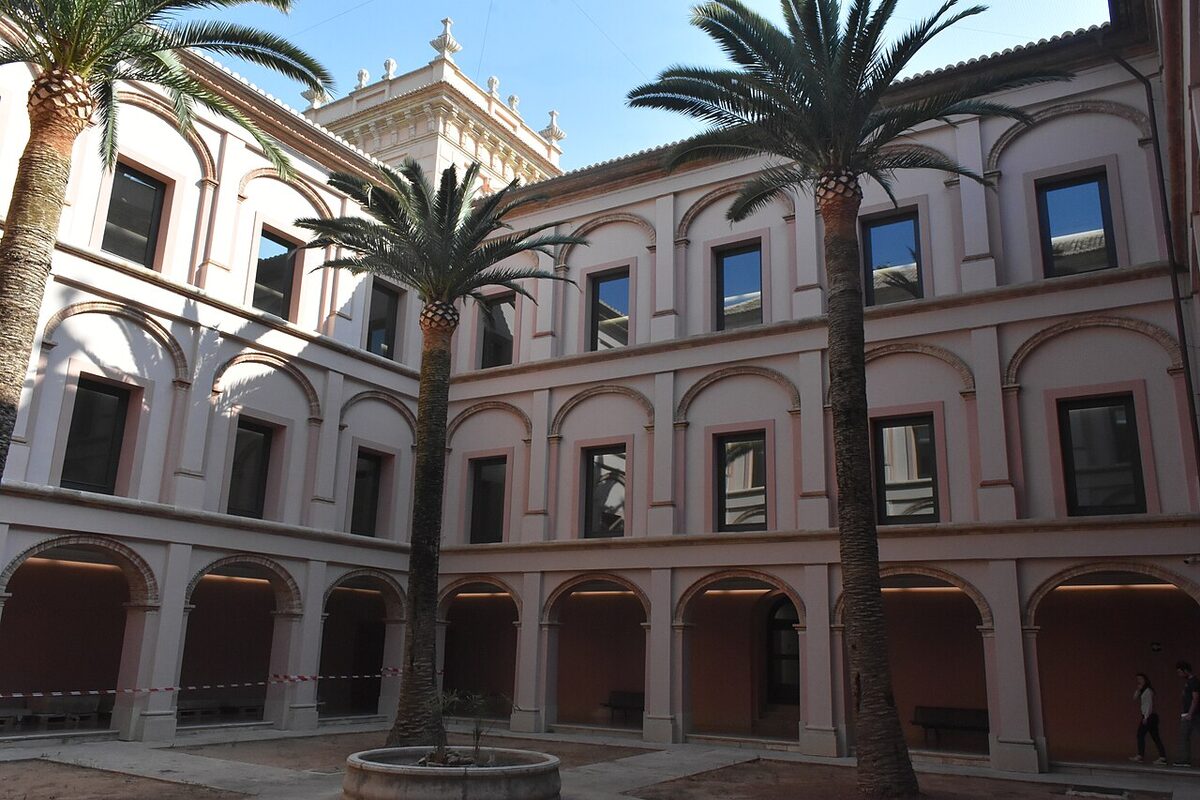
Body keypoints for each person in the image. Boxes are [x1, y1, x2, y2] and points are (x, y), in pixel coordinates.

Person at [1131, 673, 1168, 764]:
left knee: (1140, 734)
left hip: (1149, 716)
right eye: (1138, 679)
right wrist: (1138, 689)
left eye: (1141, 679)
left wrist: (1146, 717)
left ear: (1145, 680)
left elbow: (1149, 705)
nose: (1139, 681)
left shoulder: (1148, 691)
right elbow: (1134, 698)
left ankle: (1140, 755)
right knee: (1155, 737)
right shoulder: (1143, 691)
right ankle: (1162, 757)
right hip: (1150, 716)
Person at [1176, 661, 1200, 767]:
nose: (1179, 674)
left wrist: (1190, 713)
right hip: (1188, 713)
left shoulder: (1193, 682)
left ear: (1185, 670)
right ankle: (1184, 759)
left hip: (1192, 714)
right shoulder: (1189, 682)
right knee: (1184, 736)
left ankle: (1184, 760)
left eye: (1180, 672)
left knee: (1184, 736)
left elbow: (1195, 698)